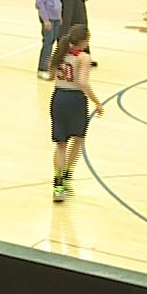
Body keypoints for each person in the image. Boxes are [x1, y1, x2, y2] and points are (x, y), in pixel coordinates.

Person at [48, 23, 105, 203]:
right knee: (78, 140)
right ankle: (66, 176)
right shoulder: (83, 57)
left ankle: (58, 186)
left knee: (60, 144)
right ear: (85, 41)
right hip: (75, 100)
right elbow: (83, 82)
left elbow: (50, 75)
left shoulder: (59, 52)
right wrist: (97, 101)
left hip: (58, 97)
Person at [35, 0, 62, 79]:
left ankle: (51, 66)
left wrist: (60, 15)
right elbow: (40, 3)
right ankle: (42, 68)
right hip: (48, 18)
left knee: (54, 40)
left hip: (56, 17)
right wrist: (45, 19)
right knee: (48, 42)